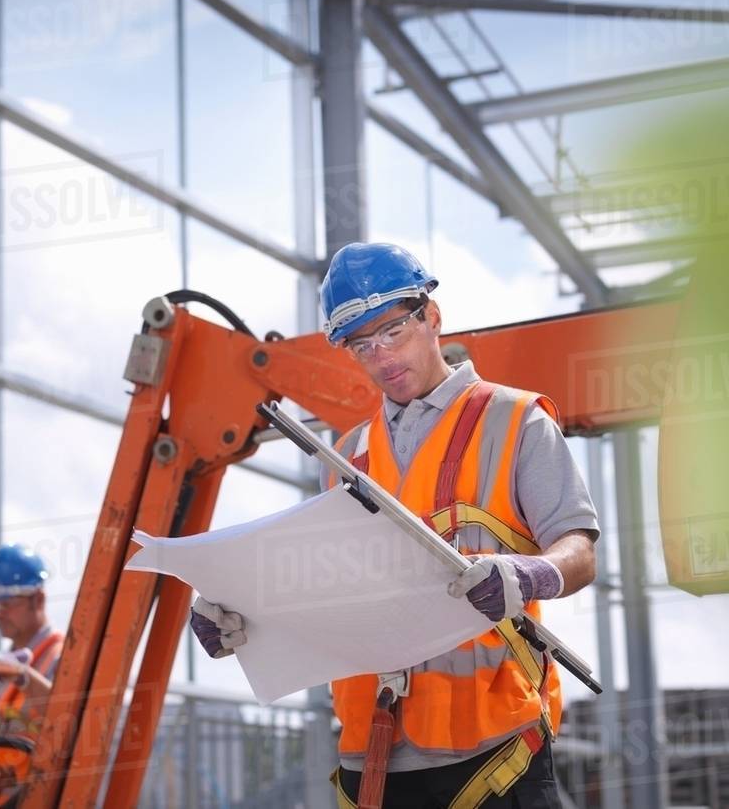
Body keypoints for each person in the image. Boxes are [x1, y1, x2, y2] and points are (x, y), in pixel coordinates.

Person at [191, 242, 599, 808]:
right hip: (374, 759)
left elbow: (578, 549)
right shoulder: (346, 456)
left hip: (494, 751)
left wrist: (528, 574)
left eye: (393, 332)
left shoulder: (515, 420)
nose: (380, 356)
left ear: (432, 317)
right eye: (361, 344)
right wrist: (241, 616)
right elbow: (325, 591)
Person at [0, 543, 65, 781]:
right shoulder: (2, 667)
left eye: (6, 603)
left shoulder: (62, 657)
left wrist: (24, 676)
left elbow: (71, 716)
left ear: (38, 600)